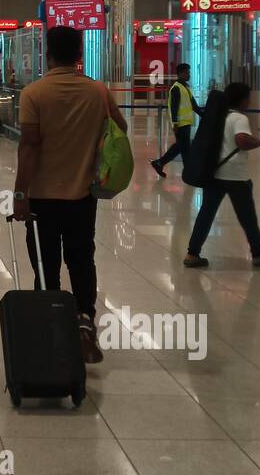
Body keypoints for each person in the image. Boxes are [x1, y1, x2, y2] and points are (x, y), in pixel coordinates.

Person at [13, 26, 127, 364]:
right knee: (81, 260)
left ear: (47, 54)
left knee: (46, 266)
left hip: (42, 198)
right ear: (80, 55)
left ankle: (50, 330)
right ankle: (84, 323)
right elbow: (118, 130)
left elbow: (29, 146)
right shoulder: (98, 92)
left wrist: (20, 193)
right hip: (82, 196)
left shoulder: (34, 93)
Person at [184, 82, 260, 269]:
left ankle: (192, 253)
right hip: (236, 175)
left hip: (215, 173)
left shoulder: (219, 116)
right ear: (243, 100)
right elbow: (242, 140)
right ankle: (258, 253)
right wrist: (257, 142)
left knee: (206, 213)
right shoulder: (239, 118)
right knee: (247, 216)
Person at [151, 63, 196, 177]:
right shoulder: (176, 88)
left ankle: (159, 163)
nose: (188, 75)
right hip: (180, 124)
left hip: (186, 123)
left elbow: (194, 105)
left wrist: (206, 115)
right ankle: (189, 172)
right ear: (180, 73)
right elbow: (174, 107)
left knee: (181, 147)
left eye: (189, 72)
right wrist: (175, 123)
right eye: (186, 72)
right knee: (184, 149)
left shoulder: (186, 88)